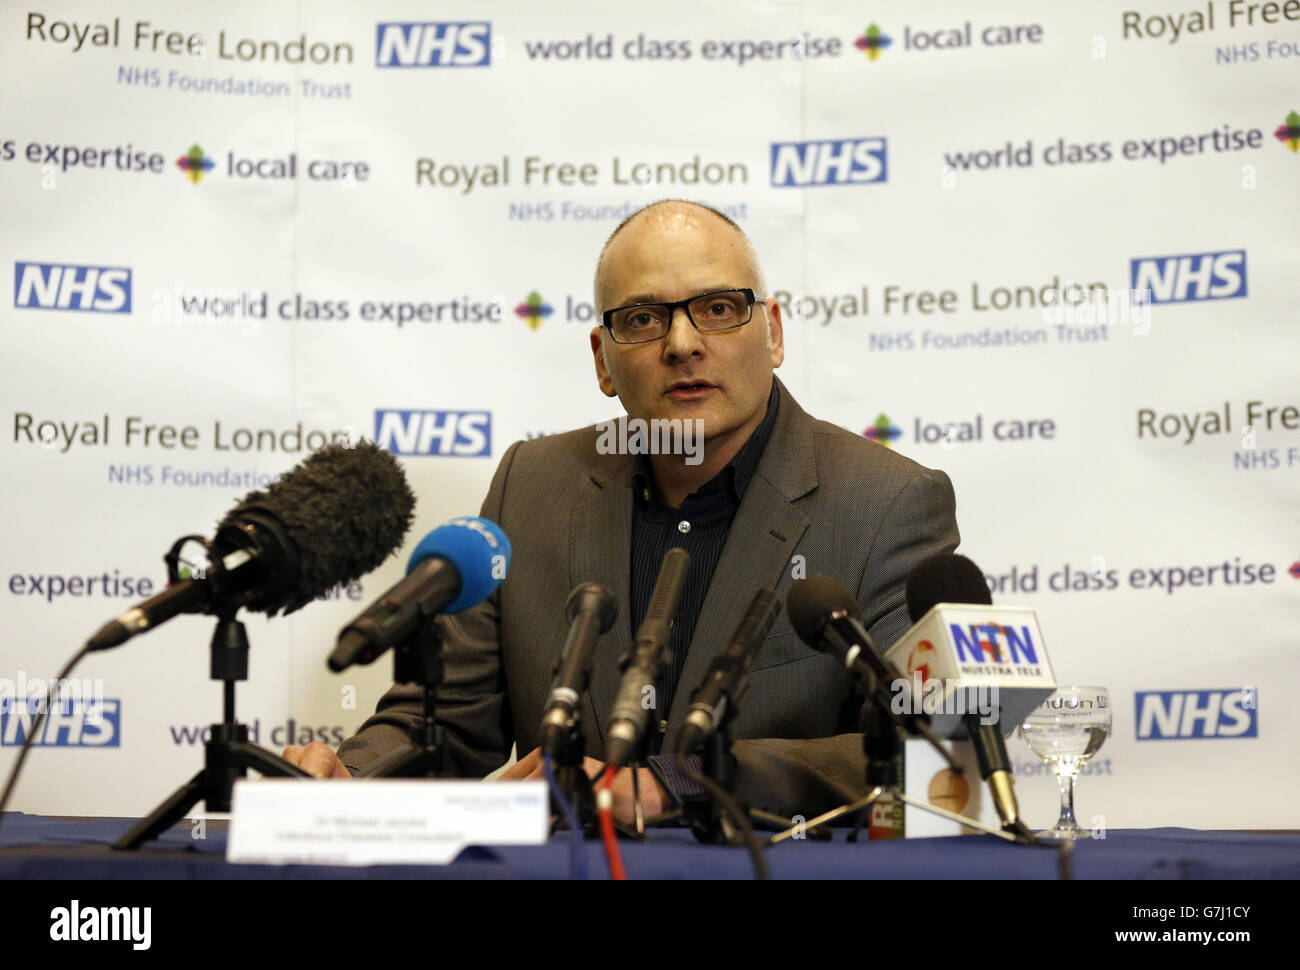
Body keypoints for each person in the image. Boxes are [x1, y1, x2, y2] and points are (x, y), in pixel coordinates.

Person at [284, 199, 959, 825]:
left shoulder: (887, 503)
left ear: (774, 333)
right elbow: (447, 719)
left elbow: (938, 744)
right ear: (603, 362)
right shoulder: (533, 485)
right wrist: (353, 772)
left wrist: (678, 782)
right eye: (642, 319)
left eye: (720, 308)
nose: (683, 343)